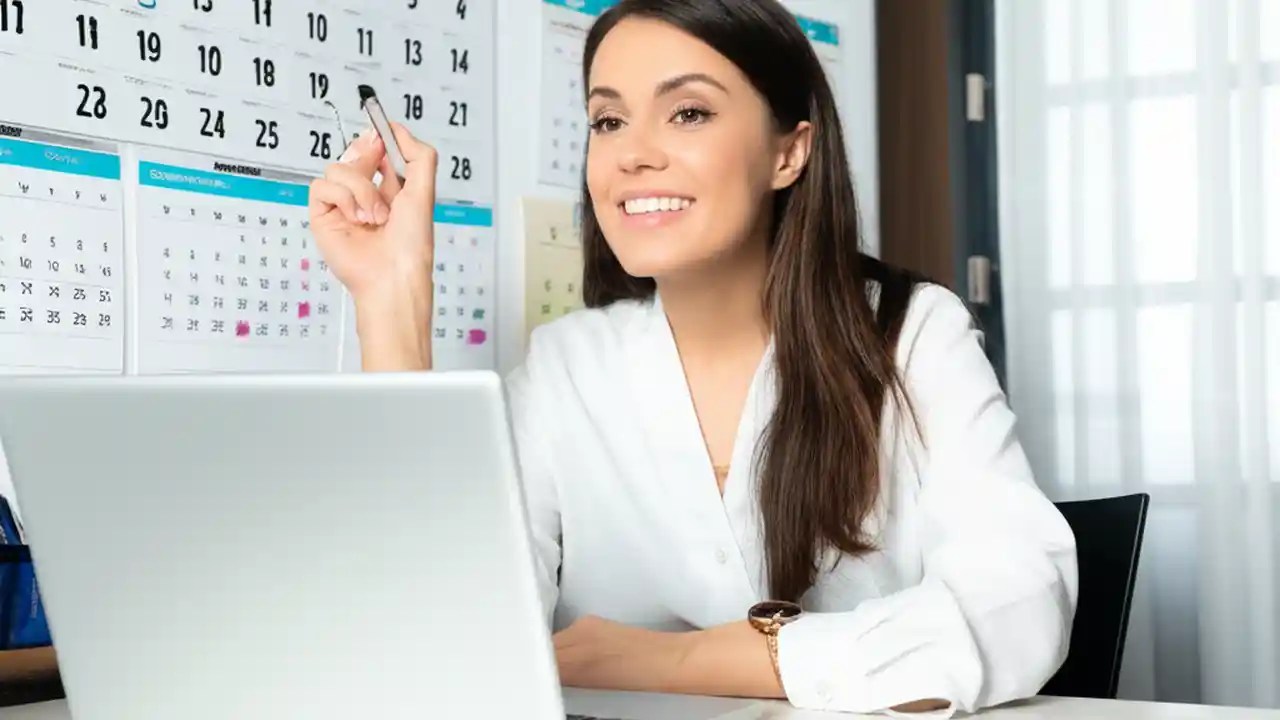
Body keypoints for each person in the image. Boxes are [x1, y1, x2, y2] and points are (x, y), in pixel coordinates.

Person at [307, 0, 1078, 714]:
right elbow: (448, 640)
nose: (633, 154)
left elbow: (1020, 600)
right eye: (607, 121)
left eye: (688, 112)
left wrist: (688, 660)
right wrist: (392, 307)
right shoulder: (565, 369)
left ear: (790, 153)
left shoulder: (913, 336)